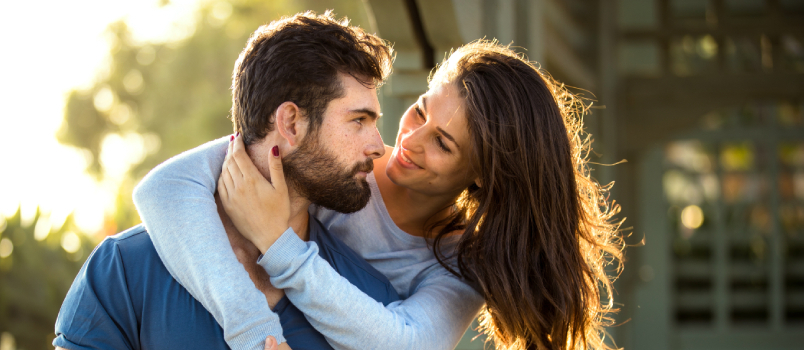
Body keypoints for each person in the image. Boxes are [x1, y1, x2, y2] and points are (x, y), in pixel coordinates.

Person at [135, 39, 624, 350]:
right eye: (419, 112)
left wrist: (280, 245)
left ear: (481, 176)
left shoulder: (459, 262)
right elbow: (165, 188)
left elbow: (407, 345)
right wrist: (251, 334)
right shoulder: (338, 158)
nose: (409, 141)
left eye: (444, 144)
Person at [53, 11, 397, 350]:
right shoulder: (125, 270)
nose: (377, 146)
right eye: (358, 121)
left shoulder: (370, 300)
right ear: (291, 123)